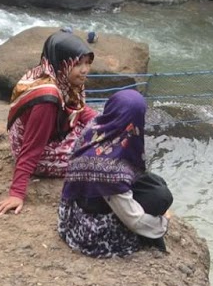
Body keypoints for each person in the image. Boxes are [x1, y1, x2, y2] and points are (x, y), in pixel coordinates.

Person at [0, 31, 97, 216]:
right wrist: (16, 193)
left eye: (87, 63)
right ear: (63, 62)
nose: (84, 70)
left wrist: (105, 123)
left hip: (35, 130)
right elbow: (32, 147)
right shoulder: (48, 100)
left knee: (100, 130)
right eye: (78, 64)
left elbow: (78, 109)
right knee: (97, 153)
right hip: (36, 148)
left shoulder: (54, 72)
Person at [57, 89, 169, 257]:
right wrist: (163, 222)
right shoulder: (111, 171)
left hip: (75, 208)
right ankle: (153, 244)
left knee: (157, 182)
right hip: (91, 231)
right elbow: (134, 220)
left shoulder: (94, 128)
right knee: (161, 196)